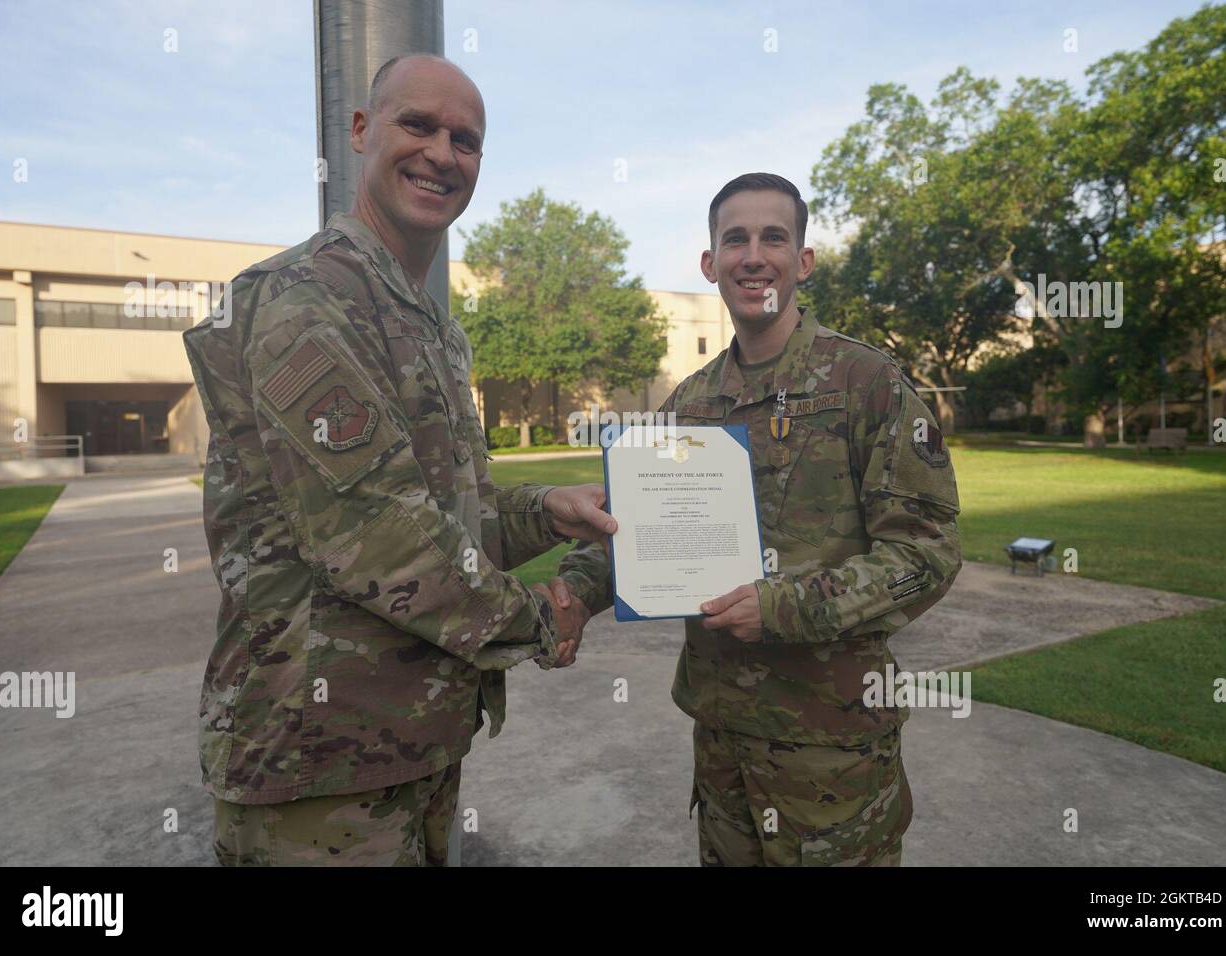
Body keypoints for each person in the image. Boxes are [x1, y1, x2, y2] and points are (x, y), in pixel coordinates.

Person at [183, 54, 598, 867]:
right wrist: (542, 616)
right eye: (419, 125)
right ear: (362, 131)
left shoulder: (432, 328)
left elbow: (454, 516)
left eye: (467, 140)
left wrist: (551, 508)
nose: (444, 154)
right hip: (315, 763)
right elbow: (374, 534)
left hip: (415, 744)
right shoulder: (304, 297)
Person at [553, 172, 962, 866]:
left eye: (774, 237)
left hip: (829, 749)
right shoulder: (691, 402)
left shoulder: (865, 384)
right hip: (722, 738)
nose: (753, 255)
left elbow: (926, 556)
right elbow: (638, 526)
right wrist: (575, 592)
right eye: (734, 239)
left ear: (802, 261)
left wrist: (785, 608)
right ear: (710, 264)